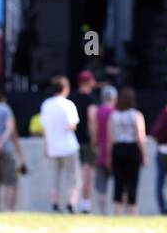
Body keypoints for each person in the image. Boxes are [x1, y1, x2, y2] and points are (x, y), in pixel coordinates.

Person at [40, 75, 82, 213]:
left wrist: (46, 147)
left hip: (53, 147)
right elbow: (71, 125)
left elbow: (45, 129)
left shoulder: (46, 105)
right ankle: (71, 203)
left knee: (55, 178)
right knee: (73, 178)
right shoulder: (68, 105)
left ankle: (55, 203)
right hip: (69, 147)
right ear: (65, 89)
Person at [108, 87, 147, 216]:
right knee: (132, 181)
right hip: (132, 149)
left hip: (118, 149)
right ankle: (132, 212)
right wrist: (144, 155)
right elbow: (140, 137)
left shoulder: (114, 115)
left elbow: (110, 137)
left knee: (118, 181)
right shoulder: (136, 115)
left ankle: (117, 211)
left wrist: (109, 155)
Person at [69, 71, 99, 213]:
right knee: (87, 174)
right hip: (87, 142)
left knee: (75, 175)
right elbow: (92, 118)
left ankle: (72, 202)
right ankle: (85, 206)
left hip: (73, 141)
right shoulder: (91, 99)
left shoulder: (72, 98)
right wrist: (94, 137)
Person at [89, 85, 117, 215]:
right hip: (116, 153)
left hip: (101, 152)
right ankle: (119, 212)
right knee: (120, 184)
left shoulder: (97, 112)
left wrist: (95, 144)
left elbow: (94, 133)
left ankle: (103, 213)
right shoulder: (116, 112)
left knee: (101, 187)